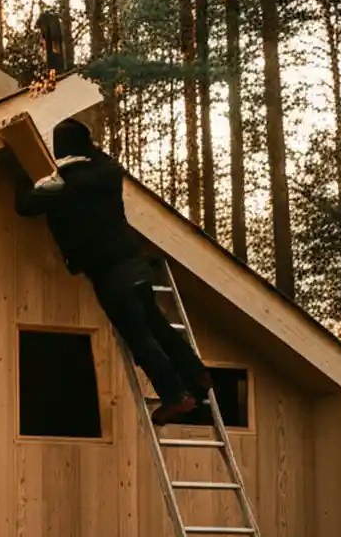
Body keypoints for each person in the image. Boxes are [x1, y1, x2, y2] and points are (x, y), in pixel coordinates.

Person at [15, 117, 211, 425]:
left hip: (109, 273)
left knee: (139, 337)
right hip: (135, 263)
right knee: (157, 326)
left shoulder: (63, 183)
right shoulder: (107, 171)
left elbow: (24, 206)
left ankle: (175, 396)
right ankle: (196, 374)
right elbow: (98, 157)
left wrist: (25, 173)